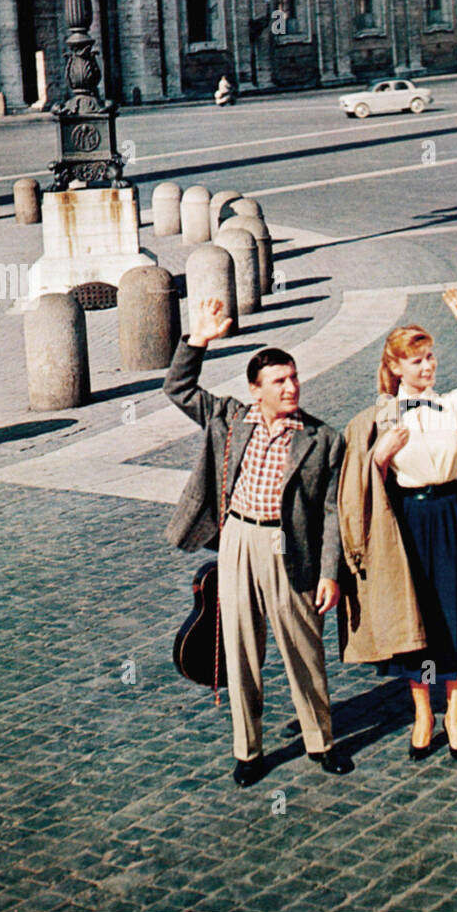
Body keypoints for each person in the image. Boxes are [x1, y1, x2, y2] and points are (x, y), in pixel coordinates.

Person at [164, 297, 351, 787]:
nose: (291, 388)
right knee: (241, 648)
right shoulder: (229, 417)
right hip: (238, 539)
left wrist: (330, 572)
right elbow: (178, 388)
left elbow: (334, 511)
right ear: (256, 389)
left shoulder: (323, 439)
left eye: (293, 378)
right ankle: (248, 750)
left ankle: (320, 742)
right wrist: (197, 339)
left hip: (291, 548)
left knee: (303, 648)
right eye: (279, 381)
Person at [343, 289, 457, 763]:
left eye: (430, 357)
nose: (427, 367)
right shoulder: (381, 415)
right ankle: (422, 713)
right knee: (415, 616)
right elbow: (360, 487)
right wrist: (379, 458)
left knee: (455, 613)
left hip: (451, 514)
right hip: (408, 520)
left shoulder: (453, 404)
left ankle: (456, 713)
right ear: (396, 368)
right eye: (416, 361)